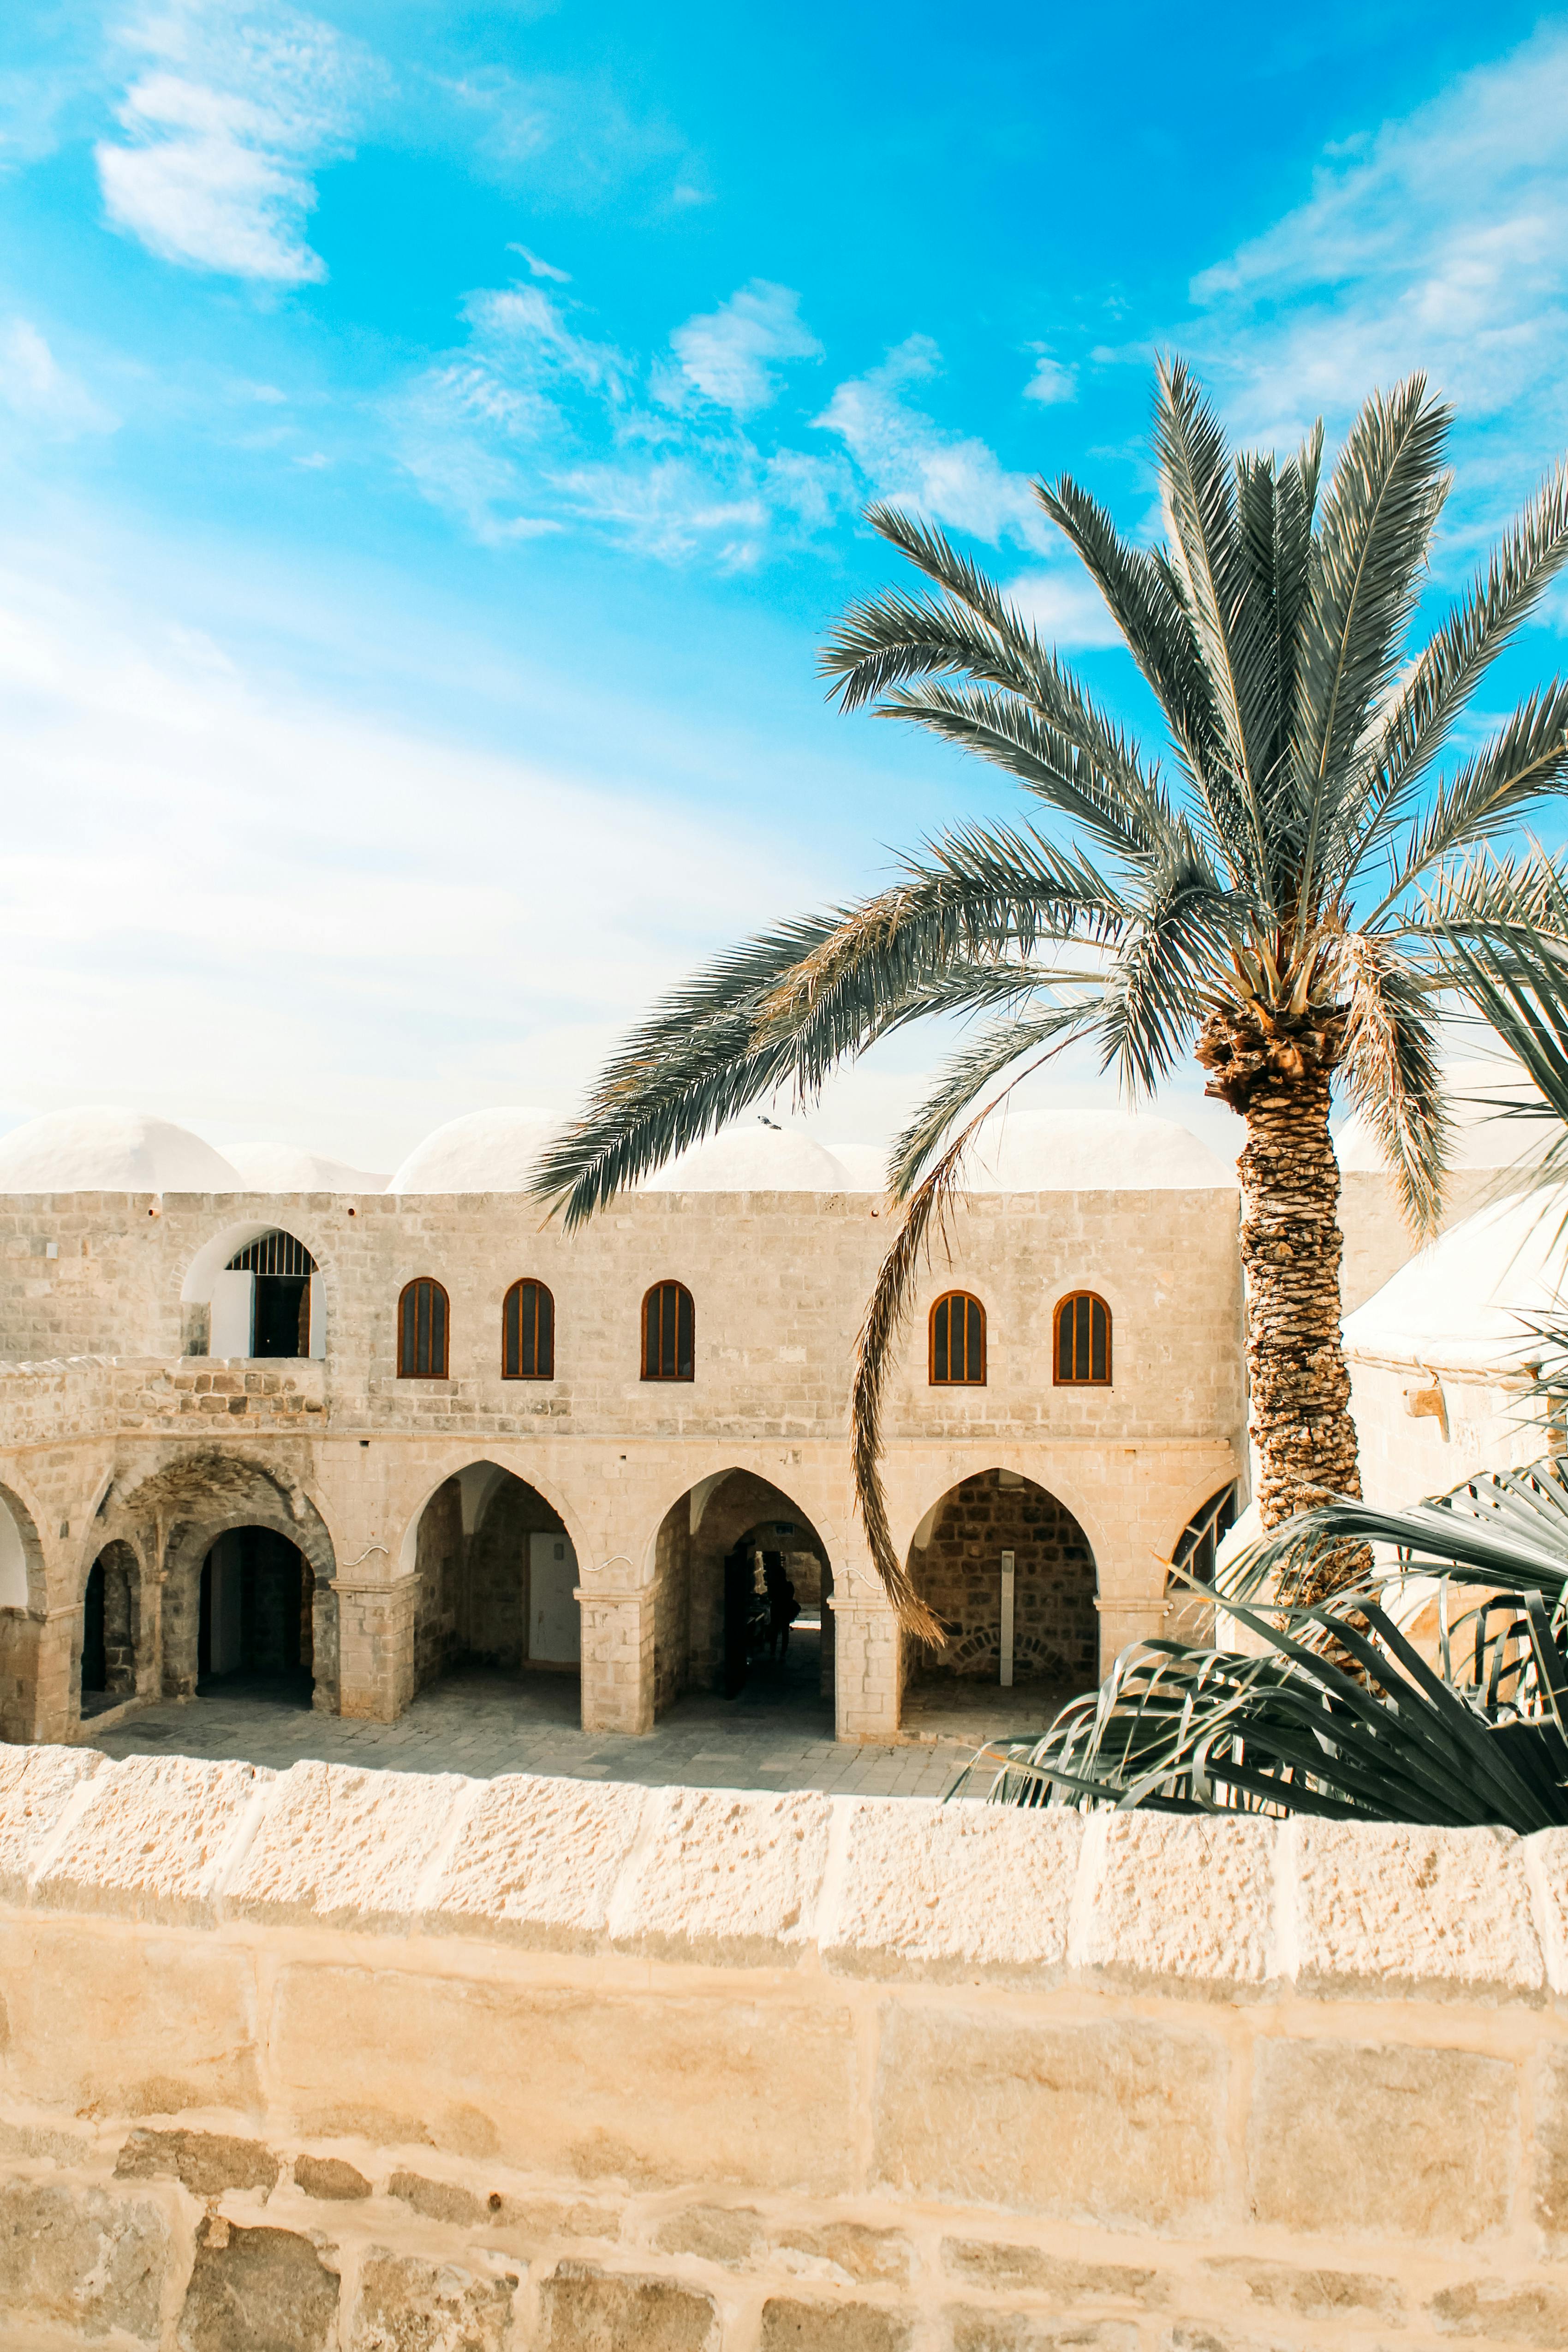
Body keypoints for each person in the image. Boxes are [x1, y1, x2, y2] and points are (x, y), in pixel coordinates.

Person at [763, 1555, 797, 1661]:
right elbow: (791, 1596)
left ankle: (773, 1652)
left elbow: (771, 1597)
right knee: (785, 1633)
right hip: (786, 1610)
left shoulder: (774, 1586)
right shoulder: (789, 1585)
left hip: (776, 1610)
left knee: (774, 1632)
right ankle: (783, 1653)